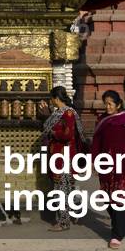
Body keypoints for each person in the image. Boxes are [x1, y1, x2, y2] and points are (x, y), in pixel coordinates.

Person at [90, 89, 125, 249]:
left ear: (118, 104)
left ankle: (117, 234)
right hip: (106, 166)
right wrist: (93, 160)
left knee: (121, 199)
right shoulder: (102, 121)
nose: (108, 107)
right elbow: (96, 143)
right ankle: (119, 225)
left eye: (110, 104)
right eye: (105, 104)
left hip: (124, 166)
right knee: (107, 199)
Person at [43, 86, 85, 232]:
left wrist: (53, 132)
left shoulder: (67, 113)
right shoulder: (59, 113)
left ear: (56, 98)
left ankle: (64, 222)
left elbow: (67, 134)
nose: (51, 101)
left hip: (64, 157)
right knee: (64, 189)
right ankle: (75, 211)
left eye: (51, 98)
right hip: (58, 156)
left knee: (62, 190)